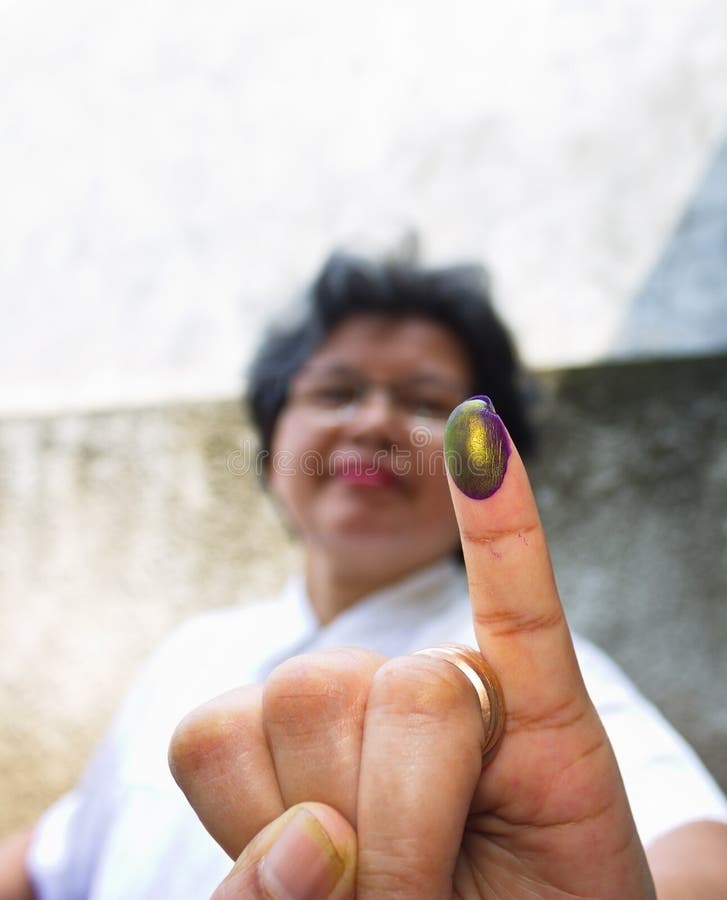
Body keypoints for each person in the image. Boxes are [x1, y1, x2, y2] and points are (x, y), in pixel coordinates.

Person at [3, 251, 727, 898]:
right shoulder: (190, 650)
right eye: (334, 392)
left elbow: (698, 855)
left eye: (424, 402)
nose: (373, 423)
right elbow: (50, 861)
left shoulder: (527, 681)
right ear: (271, 441)